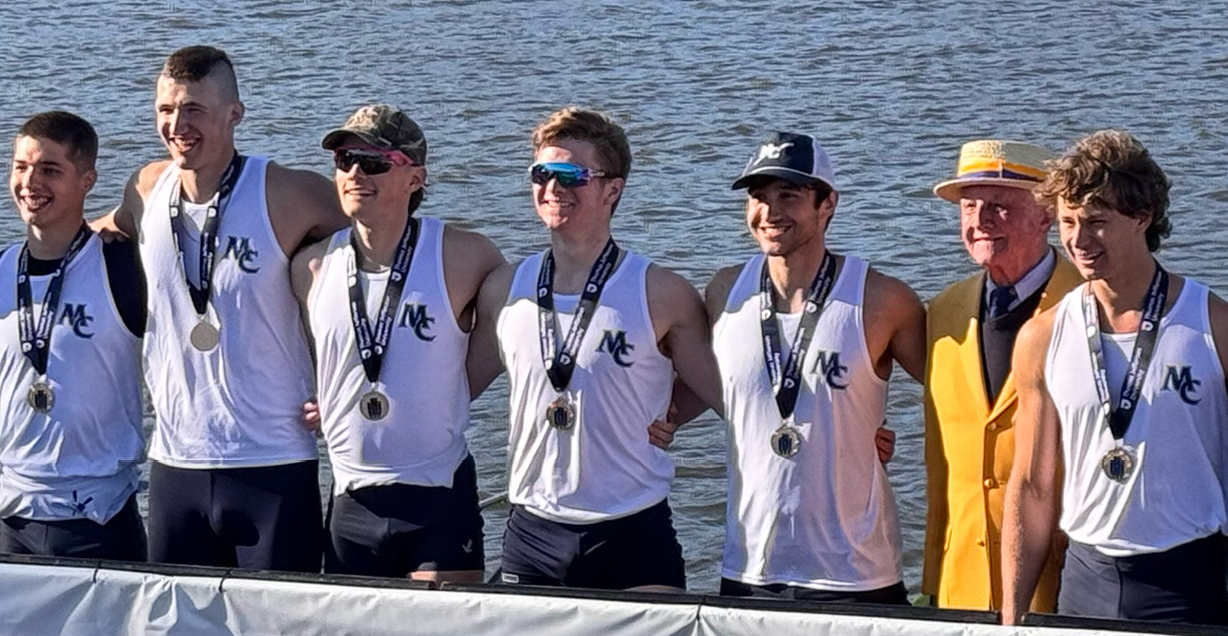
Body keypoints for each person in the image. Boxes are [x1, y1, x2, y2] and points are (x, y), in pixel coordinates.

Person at [97, 45, 348, 570]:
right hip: (174, 463)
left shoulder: (288, 193)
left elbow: (384, 255)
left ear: (235, 113)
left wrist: (344, 386)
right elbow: (95, 233)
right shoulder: (146, 187)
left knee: (279, 635)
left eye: (194, 110)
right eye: (166, 110)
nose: (177, 125)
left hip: (273, 461)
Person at [1001, 130, 1228, 626]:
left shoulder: (1223, 326)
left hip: (1186, 576)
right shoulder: (1041, 336)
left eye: (1097, 223)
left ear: (1142, 217)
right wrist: (1012, 618)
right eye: (1068, 222)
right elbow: (1032, 485)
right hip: (1085, 578)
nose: (1079, 241)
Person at [468, 107, 722, 591]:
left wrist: (673, 412)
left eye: (571, 175)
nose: (553, 188)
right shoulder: (505, 288)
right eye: (541, 174)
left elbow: (733, 396)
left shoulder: (661, 292)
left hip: (632, 529)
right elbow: (451, 388)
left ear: (613, 189)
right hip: (534, 529)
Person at [701, 131, 925, 602]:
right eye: (759, 197)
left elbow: (957, 393)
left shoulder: (883, 299)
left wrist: (878, 429)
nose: (770, 212)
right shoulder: (723, 293)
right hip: (749, 567)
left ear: (828, 205)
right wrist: (661, 422)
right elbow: (676, 380)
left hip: (855, 574)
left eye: (789, 195)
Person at [291, 105, 505, 582]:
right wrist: (327, 397)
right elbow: (313, 359)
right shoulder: (309, 267)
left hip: (438, 493)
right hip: (351, 496)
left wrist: (452, 387)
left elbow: (519, 336)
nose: (354, 173)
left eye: (374, 163)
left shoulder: (466, 256)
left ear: (415, 178)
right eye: (345, 160)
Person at [0, 111, 149, 561]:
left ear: (88, 179)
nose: (31, 183)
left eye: (50, 170)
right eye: (21, 167)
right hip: (16, 511)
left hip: (99, 513)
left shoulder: (123, 267)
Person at [922, 139, 1082, 613]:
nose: (980, 221)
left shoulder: (1088, 306)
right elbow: (939, 461)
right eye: (969, 207)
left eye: (1000, 206)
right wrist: (934, 577)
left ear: (1046, 214)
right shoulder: (942, 311)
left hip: (1058, 583)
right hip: (961, 584)